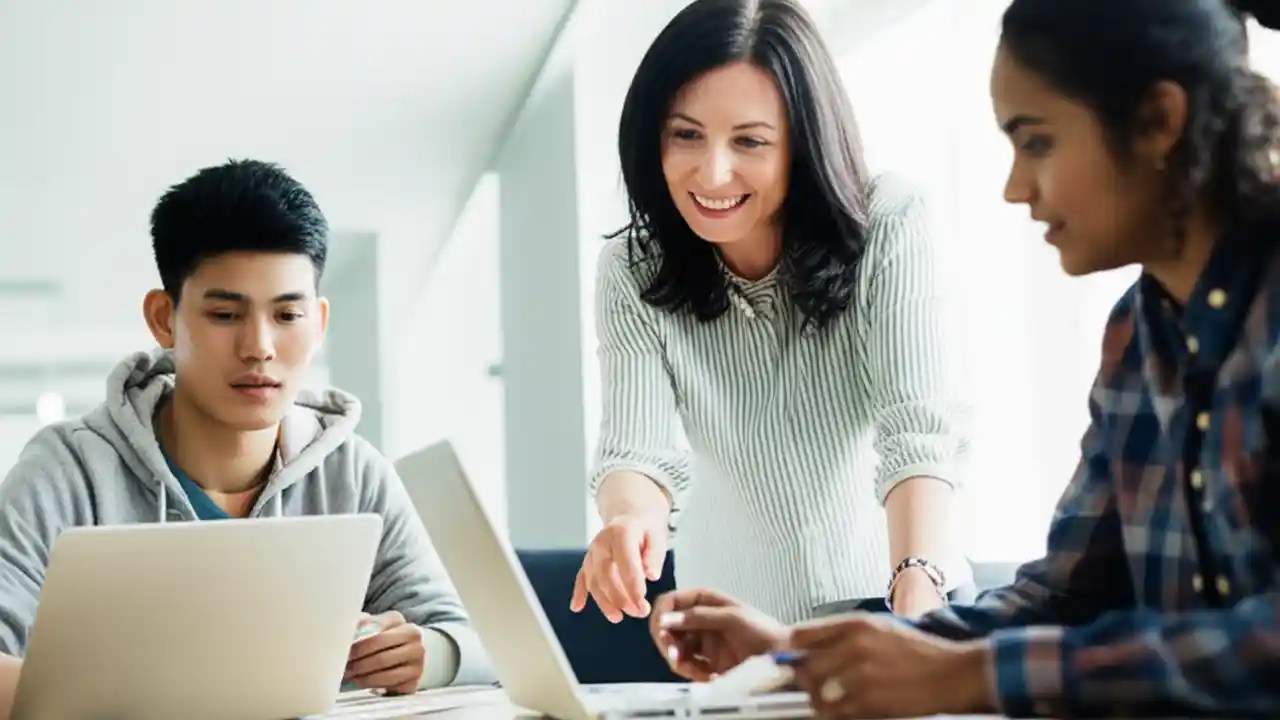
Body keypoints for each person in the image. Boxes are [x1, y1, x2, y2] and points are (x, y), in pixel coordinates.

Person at [649, 0, 1280, 717]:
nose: (1015, 187)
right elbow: (1060, 598)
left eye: (1036, 142)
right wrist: (800, 655)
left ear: (1159, 122)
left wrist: (971, 677)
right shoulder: (1138, 335)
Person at [0, 159, 495, 718]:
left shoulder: (353, 474)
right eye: (225, 314)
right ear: (164, 318)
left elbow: (481, 645)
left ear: (319, 321)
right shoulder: (67, 472)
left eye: (287, 315)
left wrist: (429, 655)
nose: (259, 346)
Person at [570, 0, 972, 629]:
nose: (713, 172)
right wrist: (628, 521)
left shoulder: (887, 222)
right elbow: (637, 451)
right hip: (736, 631)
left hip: (893, 603)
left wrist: (916, 593)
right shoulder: (631, 268)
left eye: (750, 141)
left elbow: (917, 432)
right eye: (686, 135)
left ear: (803, 144)